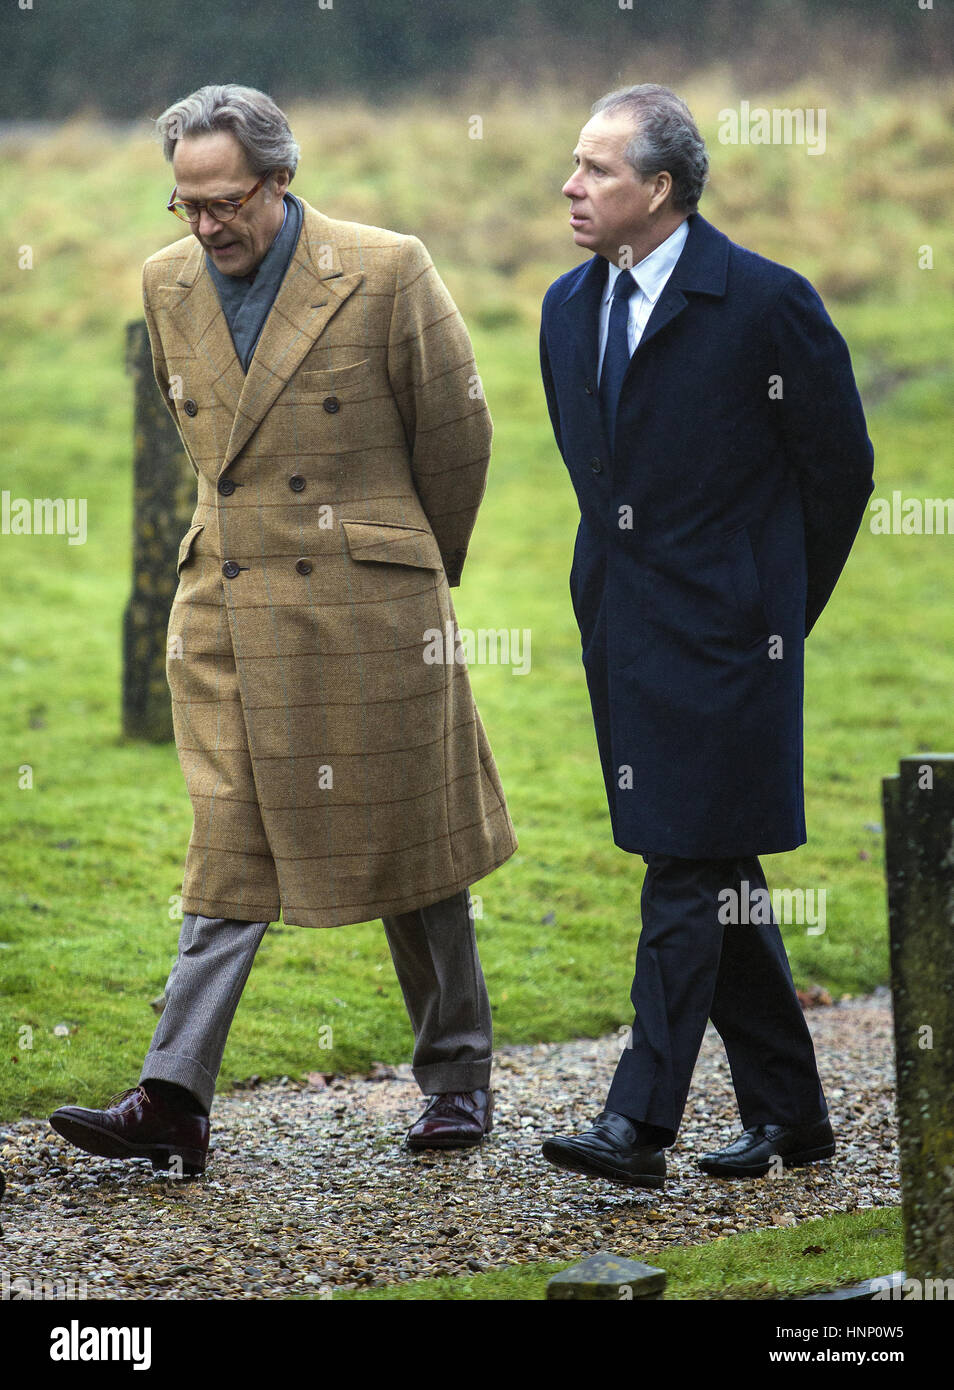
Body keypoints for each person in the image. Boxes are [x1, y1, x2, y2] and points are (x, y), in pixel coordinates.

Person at [50, 84, 516, 1174]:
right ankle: (173, 1096)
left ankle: (458, 1077)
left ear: (280, 178)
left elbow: (459, 431)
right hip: (229, 605)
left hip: (374, 609)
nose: (207, 226)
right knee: (227, 846)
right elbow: (198, 434)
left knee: (415, 846)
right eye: (187, 204)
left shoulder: (388, 268)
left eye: (226, 202)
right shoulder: (168, 282)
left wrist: (404, 562)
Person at [538, 85, 874, 1188]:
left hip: (734, 645)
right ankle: (794, 1113)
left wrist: (769, 611)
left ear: (660, 189)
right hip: (624, 634)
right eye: (574, 166)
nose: (572, 187)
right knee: (712, 862)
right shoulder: (563, 308)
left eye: (596, 170)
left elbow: (840, 473)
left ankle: (638, 1123)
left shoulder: (768, 304)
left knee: (683, 863)